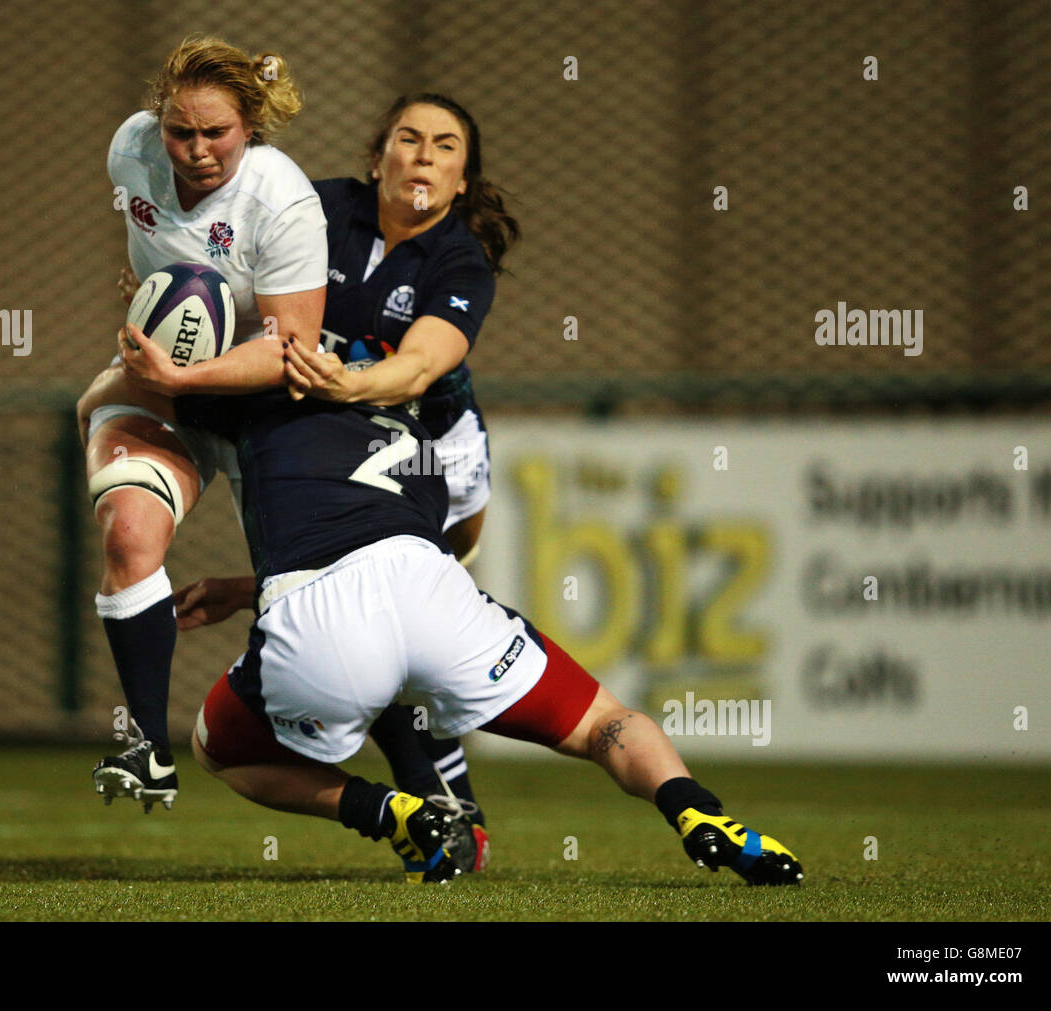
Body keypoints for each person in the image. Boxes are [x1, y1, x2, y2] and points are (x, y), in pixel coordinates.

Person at [177, 387, 805, 886]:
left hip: (324, 612)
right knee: (603, 723)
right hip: (433, 587)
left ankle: (394, 811)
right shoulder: (430, 425)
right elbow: (447, 536)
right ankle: (696, 808)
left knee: (221, 750)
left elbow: (169, 382)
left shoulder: (265, 391)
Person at [171, 94, 517, 870]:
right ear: (377, 156)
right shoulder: (318, 207)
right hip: (331, 437)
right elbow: (222, 251)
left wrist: (346, 384)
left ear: (463, 179)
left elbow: (421, 367)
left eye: (445, 145)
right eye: (409, 138)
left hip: (431, 437)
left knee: (426, 582)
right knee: (355, 587)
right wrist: (166, 276)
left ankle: (440, 782)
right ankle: (446, 804)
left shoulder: (460, 257)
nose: (424, 154)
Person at [76, 35, 327, 813]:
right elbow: (155, 253)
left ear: (250, 125)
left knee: (318, 615)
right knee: (127, 533)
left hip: (260, 404)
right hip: (162, 388)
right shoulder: (131, 149)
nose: (196, 149)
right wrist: (149, 304)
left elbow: (294, 347)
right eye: (180, 130)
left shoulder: (282, 202)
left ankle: (429, 788)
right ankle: (149, 746)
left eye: (215, 132)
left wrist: (182, 372)